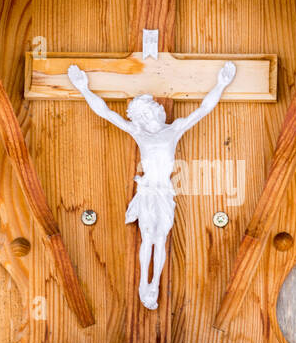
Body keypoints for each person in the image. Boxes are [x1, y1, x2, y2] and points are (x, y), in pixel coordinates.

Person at [67, 61, 237, 309]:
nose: (151, 115)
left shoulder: (174, 130)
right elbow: (106, 113)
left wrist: (221, 84)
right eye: (145, 114)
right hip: (147, 192)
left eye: (152, 111)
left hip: (164, 192)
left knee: (161, 238)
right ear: (141, 118)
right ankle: (142, 286)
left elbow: (202, 110)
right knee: (147, 237)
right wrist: (84, 89)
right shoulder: (140, 133)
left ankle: (155, 283)